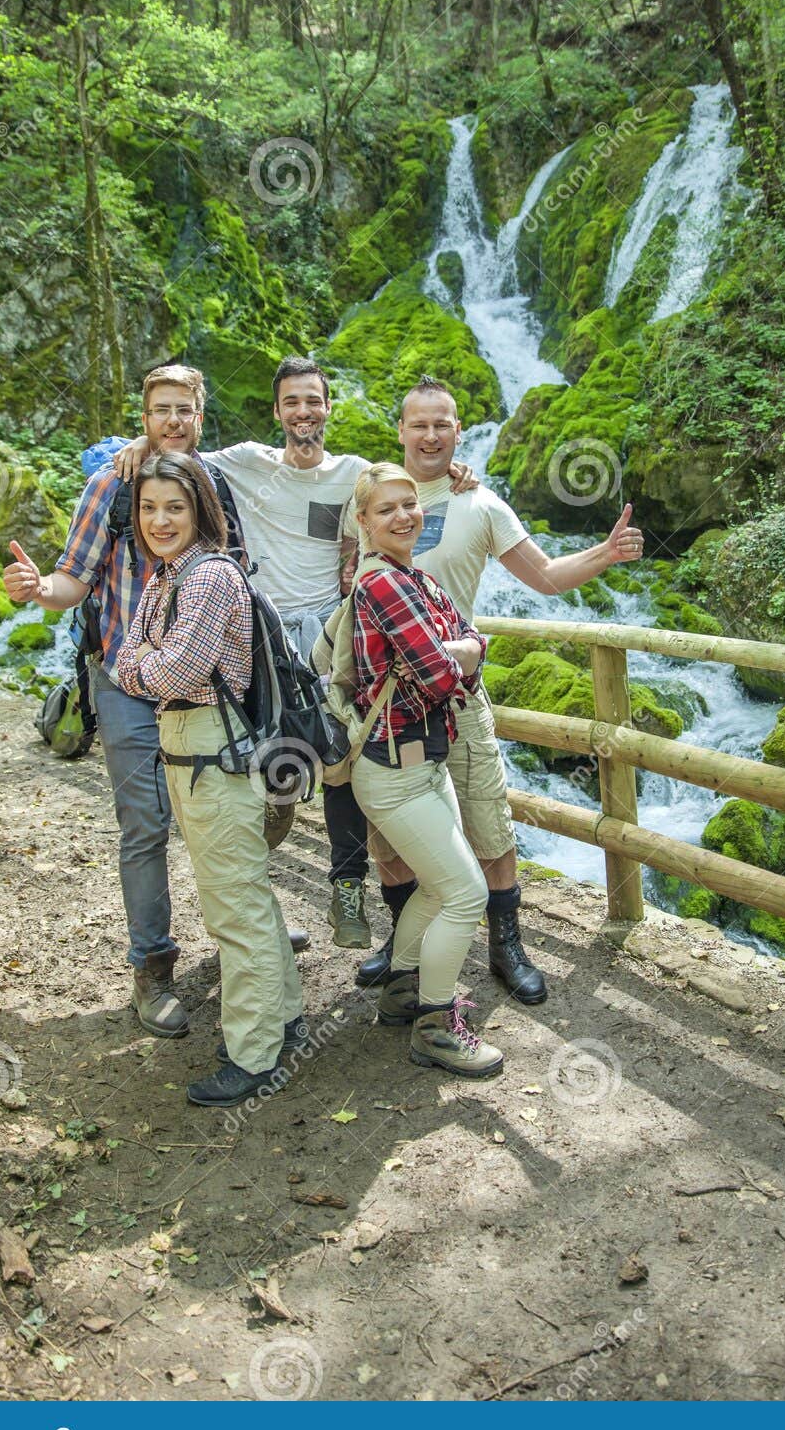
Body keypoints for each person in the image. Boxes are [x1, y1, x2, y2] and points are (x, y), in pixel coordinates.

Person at [112, 356, 478, 953]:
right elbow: (178, 444)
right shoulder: (246, 462)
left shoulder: (354, 473)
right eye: (292, 402)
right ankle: (251, 909)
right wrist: (136, 441)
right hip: (262, 641)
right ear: (278, 410)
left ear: (328, 406)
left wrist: (455, 474)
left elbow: (407, 486)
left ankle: (344, 885)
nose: (304, 411)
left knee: (339, 756)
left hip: (329, 637)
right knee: (268, 773)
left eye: (314, 400)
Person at [356, 376, 646, 1005]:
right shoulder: (369, 498)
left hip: (457, 698)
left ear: (458, 430)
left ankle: (505, 944)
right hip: (385, 711)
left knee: (489, 820)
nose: (430, 435)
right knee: (393, 838)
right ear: (400, 430)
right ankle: (406, 950)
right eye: (419, 424)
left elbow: (544, 576)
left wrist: (604, 552)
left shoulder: (481, 503)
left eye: (442, 423)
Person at [2, 361, 266, 1044]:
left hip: (207, 689)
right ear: (144, 416)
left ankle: (244, 925)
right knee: (146, 825)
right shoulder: (110, 486)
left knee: (230, 811)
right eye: (161, 409)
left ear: (200, 416)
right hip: (123, 684)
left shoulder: (213, 487)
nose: (173, 420)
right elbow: (72, 580)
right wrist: (37, 590)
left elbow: (236, 575)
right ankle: (153, 967)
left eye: (185, 409)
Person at [115, 452, 304, 1108]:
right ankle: (282, 1017)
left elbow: (164, 674)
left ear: (199, 508)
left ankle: (255, 1054)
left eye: (174, 506)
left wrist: (144, 664)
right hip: (193, 750)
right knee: (242, 893)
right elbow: (125, 662)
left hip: (213, 752)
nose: (159, 520)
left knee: (234, 904)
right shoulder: (164, 578)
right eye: (147, 508)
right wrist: (145, 664)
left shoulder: (207, 578)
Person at [348, 462, 502, 1079]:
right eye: (386, 509)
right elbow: (446, 672)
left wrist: (463, 651)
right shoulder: (383, 585)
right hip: (394, 769)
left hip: (424, 760)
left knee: (441, 887)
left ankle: (404, 991)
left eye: (409, 504)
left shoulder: (417, 578)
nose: (403, 516)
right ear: (363, 522)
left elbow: (467, 647)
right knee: (465, 893)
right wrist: (462, 652)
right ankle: (436, 1025)